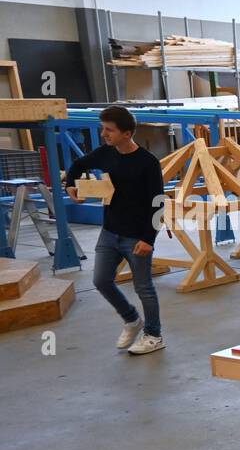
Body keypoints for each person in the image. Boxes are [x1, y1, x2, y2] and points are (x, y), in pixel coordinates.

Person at [64, 106, 166, 355]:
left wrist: (148, 239)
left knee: (143, 287)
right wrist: (70, 186)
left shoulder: (148, 163)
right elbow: (77, 165)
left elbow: (158, 203)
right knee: (100, 280)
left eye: (109, 130)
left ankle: (154, 335)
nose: (103, 134)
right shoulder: (106, 154)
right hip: (109, 231)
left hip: (136, 236)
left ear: (127, 133)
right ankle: (131, 319)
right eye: (103, 129)